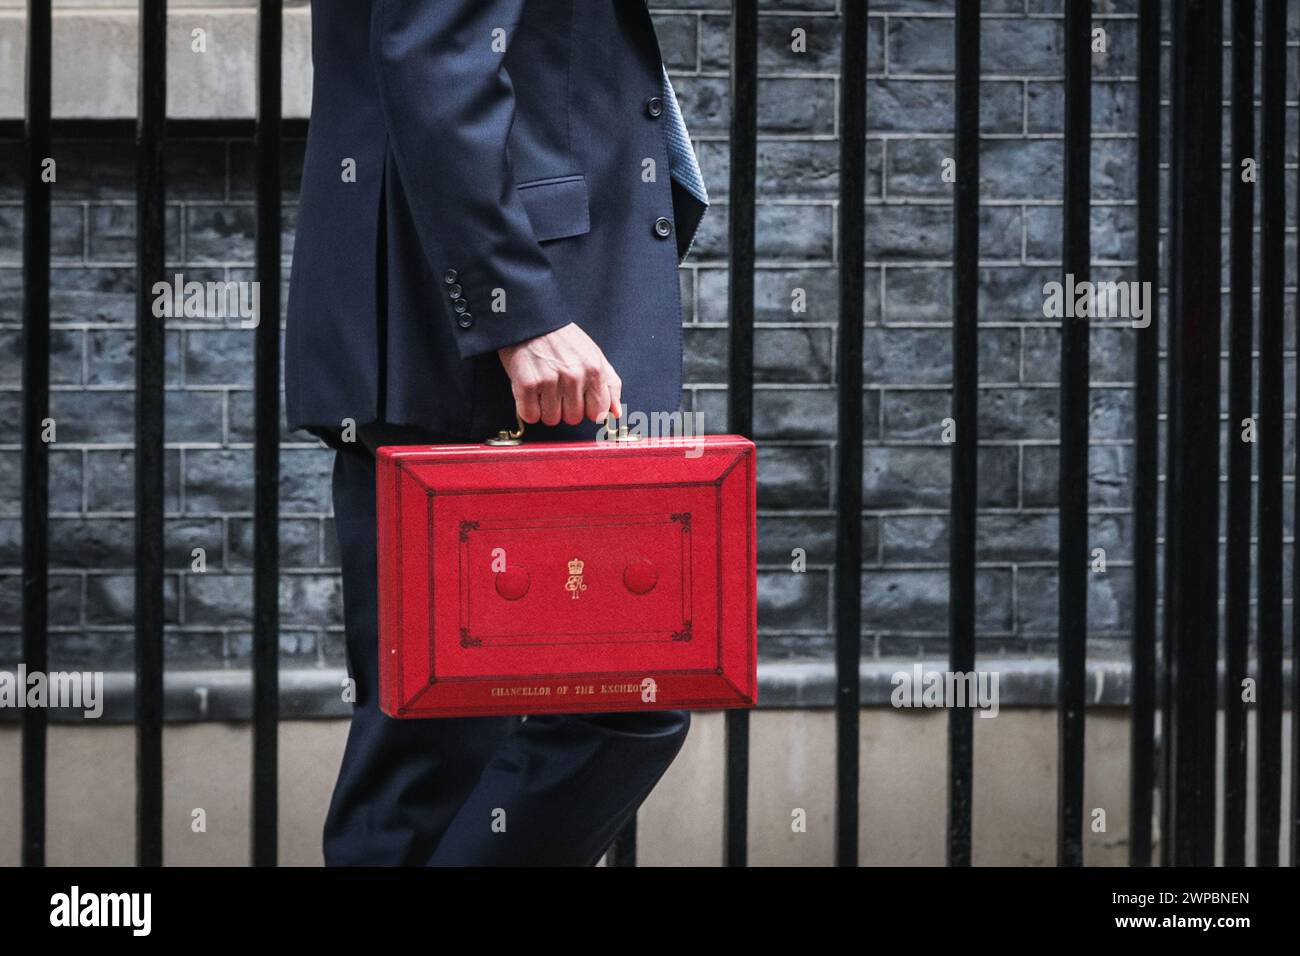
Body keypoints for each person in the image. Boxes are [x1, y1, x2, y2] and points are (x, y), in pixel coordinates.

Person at [283, 0, 709, 865]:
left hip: (458, 340)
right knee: (618, 695)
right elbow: (436, 54)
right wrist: (517, 311)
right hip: (485, 357)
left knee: (428, 760)